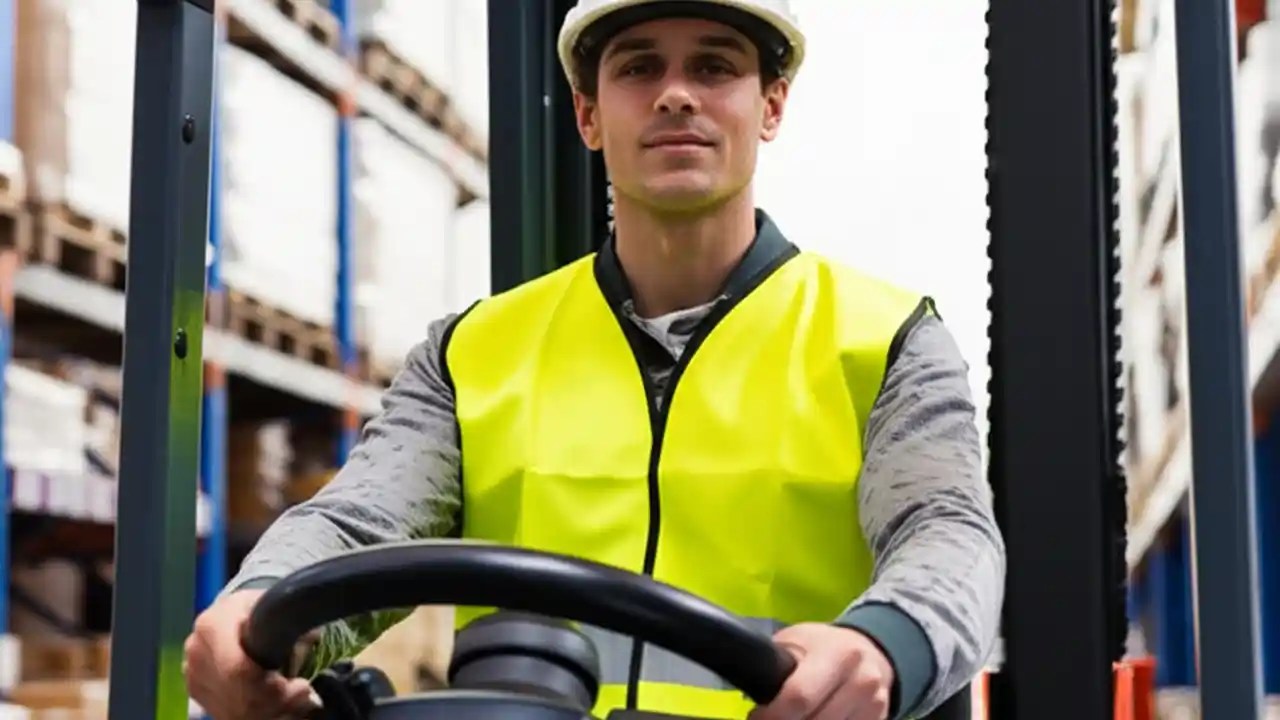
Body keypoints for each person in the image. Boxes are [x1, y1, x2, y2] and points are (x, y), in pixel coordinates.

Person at [182, 1, 1006, 718]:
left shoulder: (885, 339)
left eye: (714, 67)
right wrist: (256, 606)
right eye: (639, 68)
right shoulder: (470, 353)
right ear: (587, 114)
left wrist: (881, 644)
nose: (676, 93)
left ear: (771, 106)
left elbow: (948, 534)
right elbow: (358, 523)